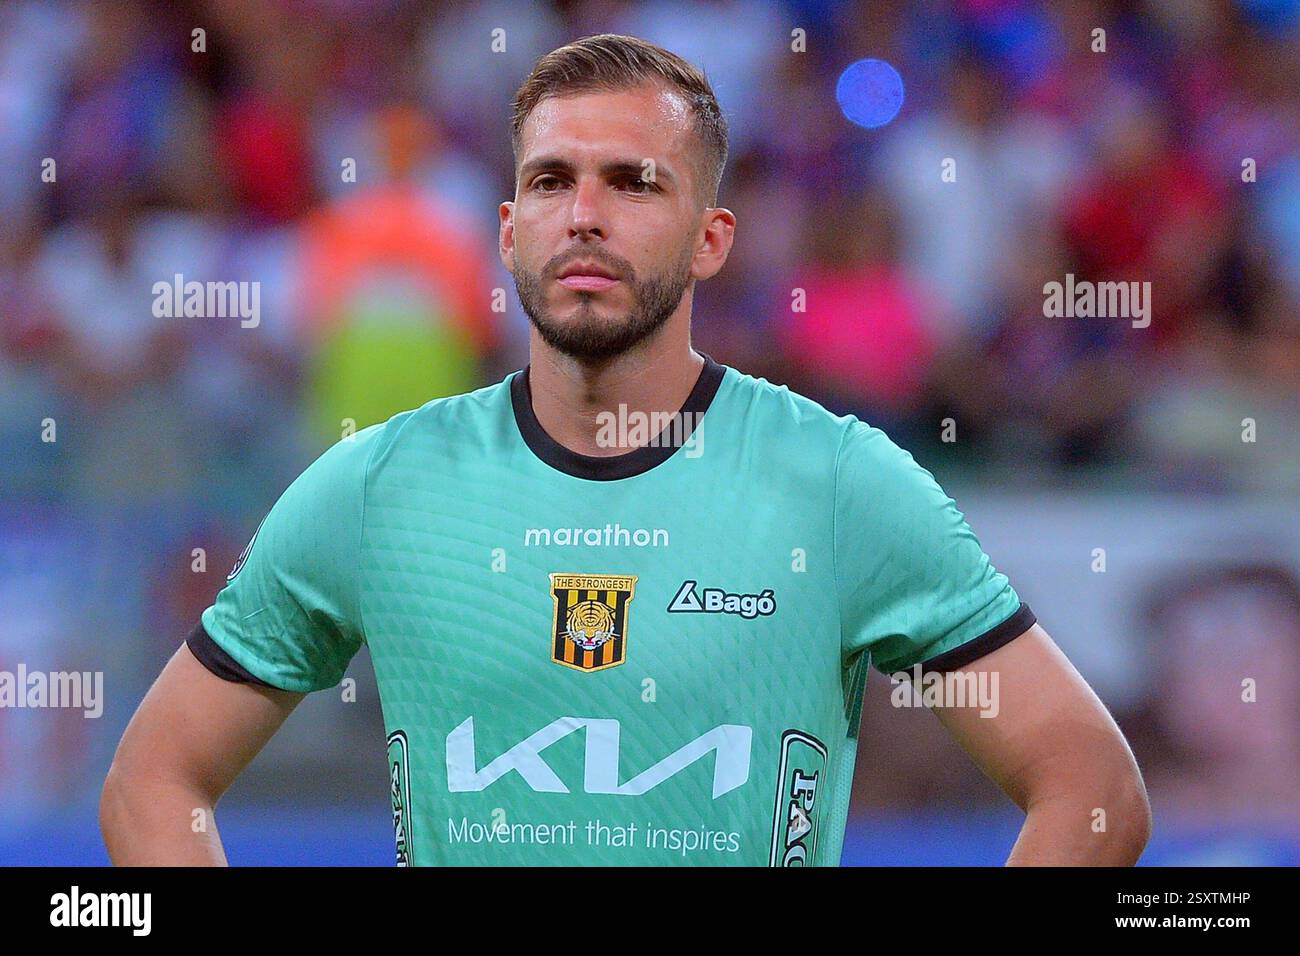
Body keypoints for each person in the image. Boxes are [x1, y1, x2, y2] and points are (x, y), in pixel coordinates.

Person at [100, 34, 1149, 866]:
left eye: (635, 182)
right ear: (508, 229)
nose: (585, 215)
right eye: (552, 181)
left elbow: (1092, 788)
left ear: (711, 238)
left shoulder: (838, 484)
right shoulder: (376, 487)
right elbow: (151, 780)